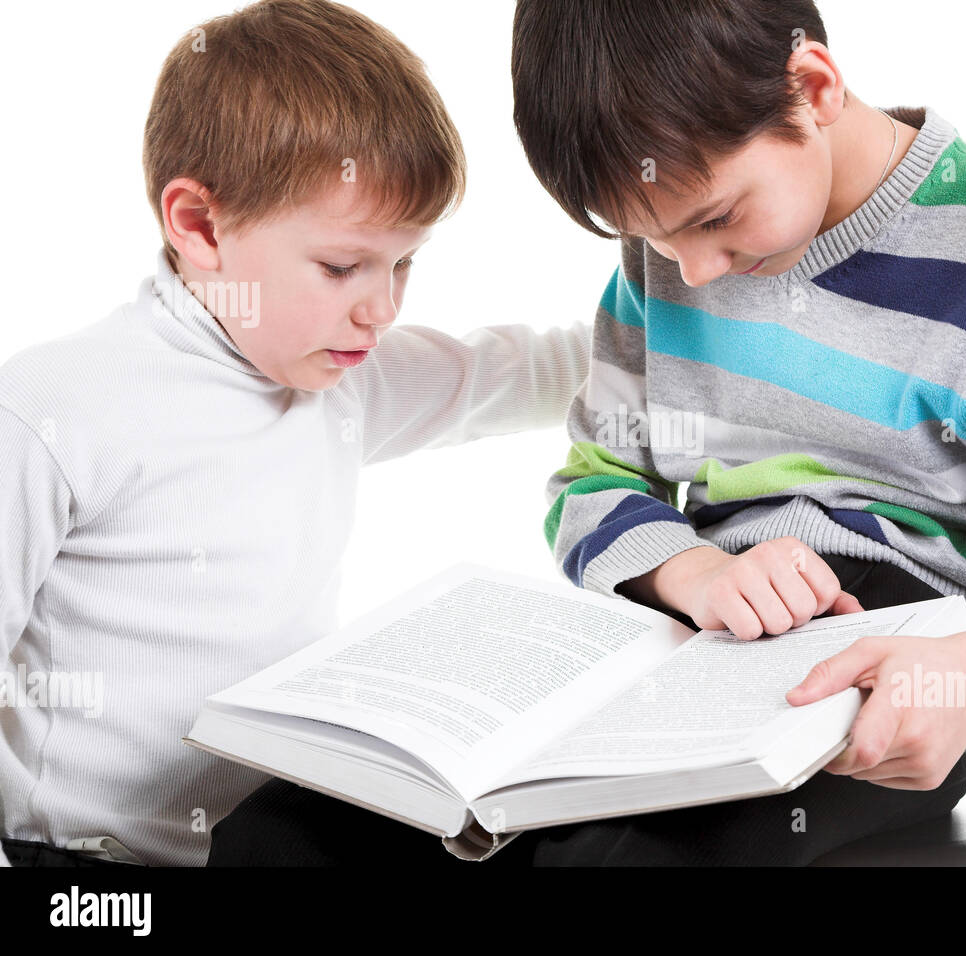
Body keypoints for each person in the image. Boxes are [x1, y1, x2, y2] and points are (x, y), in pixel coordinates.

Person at [506, 0, 966, 864]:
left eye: (713, 219)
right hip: (693, 644)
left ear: (813, 88)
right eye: (652, 237)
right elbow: (593, 484)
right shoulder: (669, 254)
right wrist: (694, 571)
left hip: (891, 653)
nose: (692, 272)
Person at [0, 0, 590, 868]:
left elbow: (517, 372)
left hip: (277, 840)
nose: (381, 308)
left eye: (404, 264)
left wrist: (687, 321)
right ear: (199, 227)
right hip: (92, 871)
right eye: (343, 265)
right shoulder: (55, 410)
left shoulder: (334, 377)